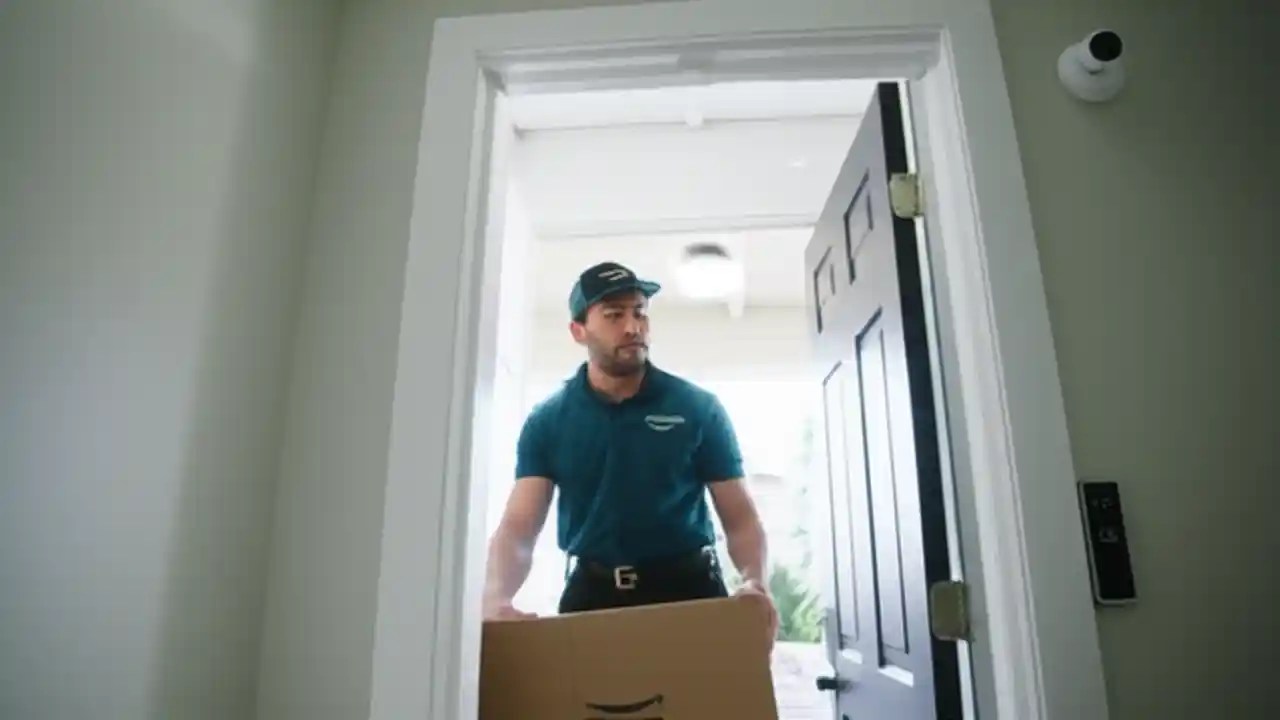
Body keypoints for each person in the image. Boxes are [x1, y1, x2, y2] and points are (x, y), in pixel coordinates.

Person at [481, 261, 778, 648]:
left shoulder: (698, 408)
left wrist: (756, 581)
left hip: (689, 592)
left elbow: (740, 518)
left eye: (640, 312)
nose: (633, 326)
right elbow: (519, 529)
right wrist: (495, 597)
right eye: (614, 315)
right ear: (578, 331)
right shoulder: (548, 421)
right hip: (593, 597)